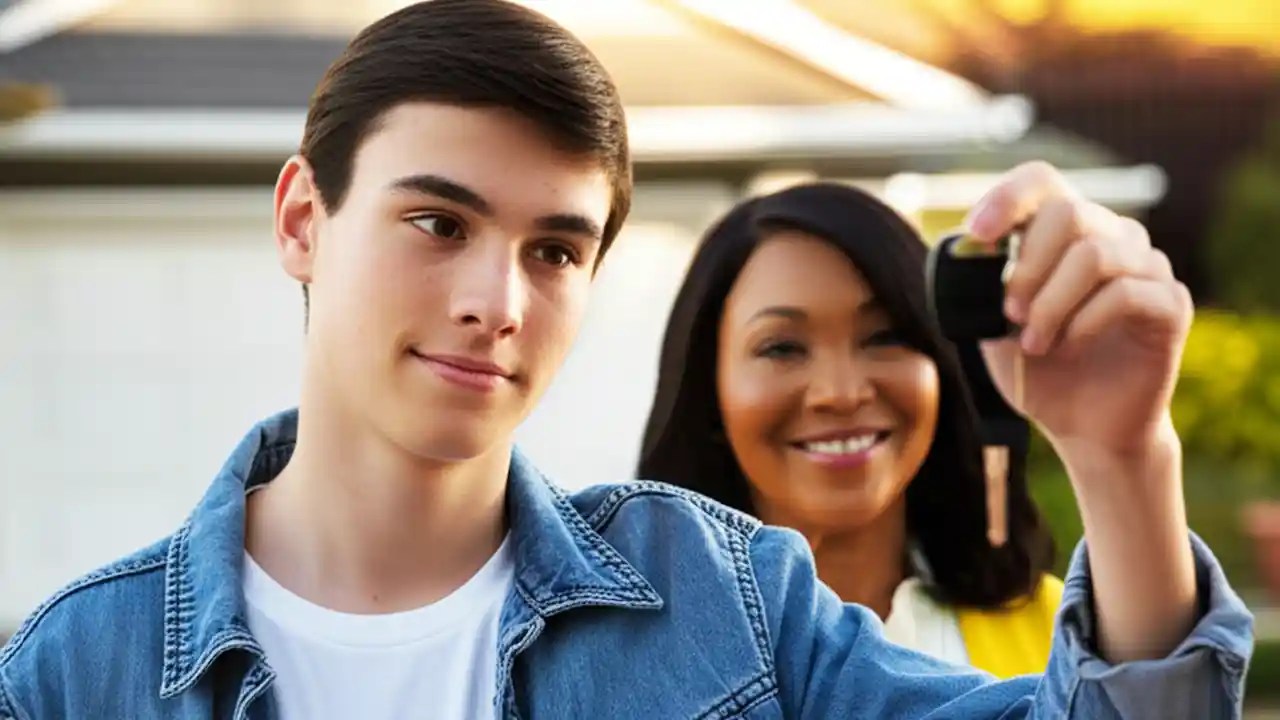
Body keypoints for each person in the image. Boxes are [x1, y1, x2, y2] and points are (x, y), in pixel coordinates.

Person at [0, 1, 1252, 718]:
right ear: (300, 220)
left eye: (553, 250)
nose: (496, 299)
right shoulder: (78, 670)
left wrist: (1118, 453)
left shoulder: (726, 604)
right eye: (437, 223)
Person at [637, 182, 1063, 678]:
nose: (840, 393)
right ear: (709, 391)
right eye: (781, 347)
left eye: (885, 336)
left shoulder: (1064, 639)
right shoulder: (627, 664)